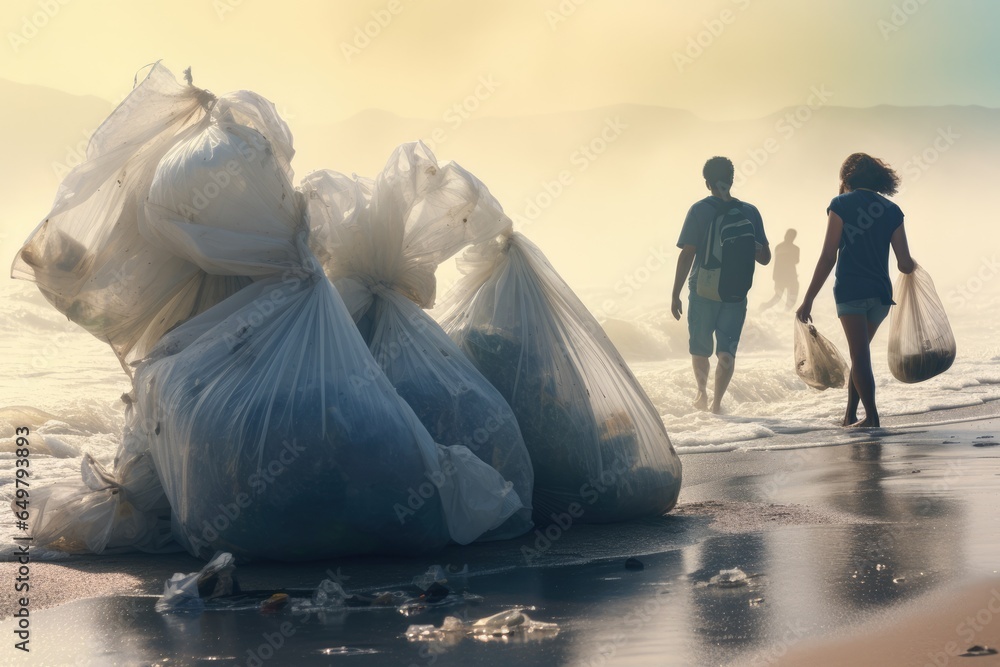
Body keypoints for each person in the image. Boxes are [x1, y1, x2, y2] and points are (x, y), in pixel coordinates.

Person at [795, 153, 915, 428]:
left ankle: (872, 417)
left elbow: (828, 256)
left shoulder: (840, 204)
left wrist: (808, 299)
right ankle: (850, 415)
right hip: (881, 296)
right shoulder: (892, 210)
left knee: (859, 355)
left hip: (851, 290)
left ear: (846, 177)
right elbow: (905, 264)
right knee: (859, 353)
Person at [671, 156, 771, 414]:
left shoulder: (699, 210)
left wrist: (675, 293)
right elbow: (765, 258)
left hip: (703, 288)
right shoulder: (750, 211)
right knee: (726, 351)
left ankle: (702, 394)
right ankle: (717, 403)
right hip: (736, 293)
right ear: (732, 179)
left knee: (700, 348)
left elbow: (687, 253)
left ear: (707, 183)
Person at [760, 228, 799, 311]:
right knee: (778, 296)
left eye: (790, 236)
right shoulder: (780, 247)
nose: (788, 237)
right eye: (787, 235)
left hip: (790, 275)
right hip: (781, 275)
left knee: (792, 295)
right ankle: (764, 307)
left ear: (793, 237)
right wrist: (775, 276)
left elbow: (796, 260)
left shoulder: (795, 248)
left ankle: (786, 312)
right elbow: (777, 263)